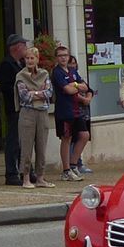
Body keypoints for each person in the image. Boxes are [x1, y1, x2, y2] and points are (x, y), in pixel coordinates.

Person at [16, 45, 57, 188]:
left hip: (42, 112)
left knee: (41, 146)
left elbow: (49, 92)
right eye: (27, 58)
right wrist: (38, 93)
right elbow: (24, 96)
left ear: (37, 59)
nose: (29, 60)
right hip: (27, 113)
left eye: (32, 58)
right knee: (26, 147)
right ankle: (26, 178)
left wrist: (35, 93)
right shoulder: (20, 76)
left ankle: (41, 178)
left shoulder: (44, 74)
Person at [51, 44, 93, 180]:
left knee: (84, 135)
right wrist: (75, 86)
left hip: (76, 110)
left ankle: (74, 164)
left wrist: (74, 84)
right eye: (60, 56)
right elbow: (67, 90)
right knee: (66, 138)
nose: (63, 58)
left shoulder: (72, 71)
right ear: (56, 58)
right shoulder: (57, 72)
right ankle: (66, 170)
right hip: (65, 111)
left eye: (65, 55)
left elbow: (85, 87)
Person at [0, 35, 29, 185]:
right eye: (24, 46)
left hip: (24, 108)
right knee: (13, 141)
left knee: (24, 142)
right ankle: (11, 173)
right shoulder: (7, 64)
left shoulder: (21, 64)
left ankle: (26, 171)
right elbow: (7, 87)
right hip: (14, 108)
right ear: (16, 47)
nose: (26, 49)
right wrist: (22, 91)